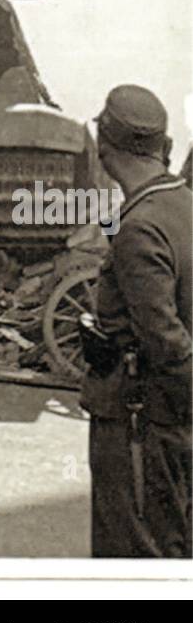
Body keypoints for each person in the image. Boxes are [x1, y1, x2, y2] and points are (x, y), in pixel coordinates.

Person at [81, 85, 191, 558]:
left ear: (105, 145)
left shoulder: (140, 225)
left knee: (133, 554)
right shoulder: (182, 205)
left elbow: (167, 343)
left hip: (138, 422)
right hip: (168, 423)